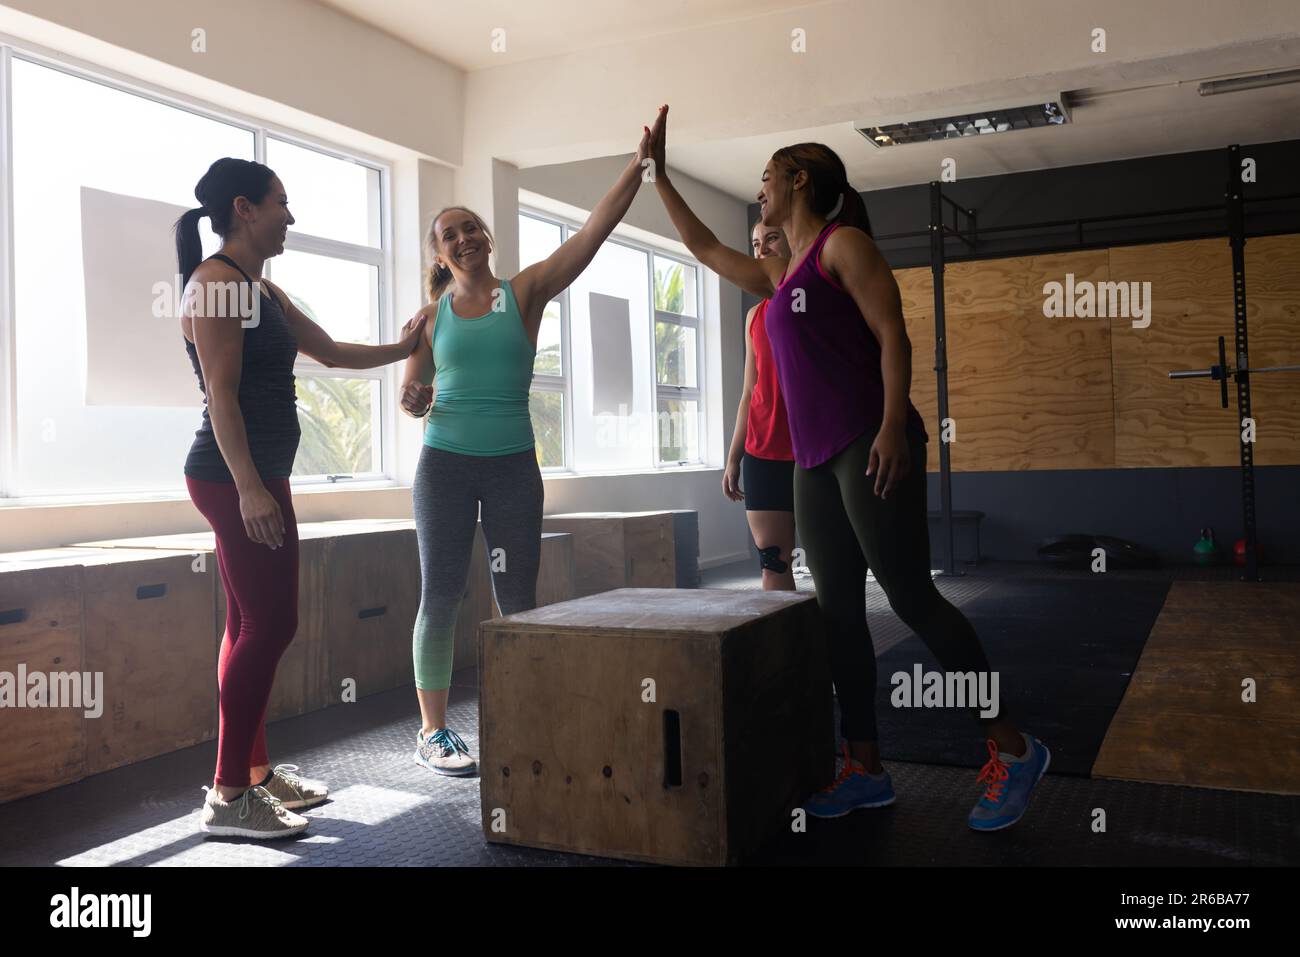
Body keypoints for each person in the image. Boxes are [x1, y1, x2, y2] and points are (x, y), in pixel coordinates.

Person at [645, 105, 1049, 831]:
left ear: (798, 179)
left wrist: (895, 424)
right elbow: (704, 247)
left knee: (911, 597)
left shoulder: (843, 245)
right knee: (836, 615)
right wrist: (661, 177)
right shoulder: (780, 270)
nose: (760, 189)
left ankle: (1013, 747)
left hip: (869, 439)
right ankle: (864, 768)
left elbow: (894, 335)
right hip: (812, 459)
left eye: (767, 178)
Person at [177, 158, 427, 839]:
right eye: (282, 202)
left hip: (258, 475)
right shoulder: (217, 285)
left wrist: (410, 343)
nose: (291, 216)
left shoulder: (267, 291)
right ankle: (229, 795)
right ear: (245, 207)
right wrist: (252, 487)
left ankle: (252, 771)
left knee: (247, 624)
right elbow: (221, 396)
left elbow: (335, 354)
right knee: (271, 623)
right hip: (235, 477)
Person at [398, 126, 655, 775]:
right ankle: (434, 732)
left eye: (471, 227)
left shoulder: (526, 290)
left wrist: (638, 163)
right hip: (445, 465)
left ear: (486, 238)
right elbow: (412, 392)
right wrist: (414, 396)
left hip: (513, 464)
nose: (463, 237)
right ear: (439, 251)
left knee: (519, 596)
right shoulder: (429, 319)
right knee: (442, 595)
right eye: (449, 232)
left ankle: (522, 714)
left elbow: (591, 235)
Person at [723, 221, 798, 591]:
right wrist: (734, 457)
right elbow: (748, 391)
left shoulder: (812, 299)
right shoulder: (754, 316)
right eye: (755, 243)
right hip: (763, 451)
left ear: (791, 242)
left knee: (838, 566)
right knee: (774, 563)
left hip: (813, 448)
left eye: (771, 239)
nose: (762, 250)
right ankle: (785, 649)